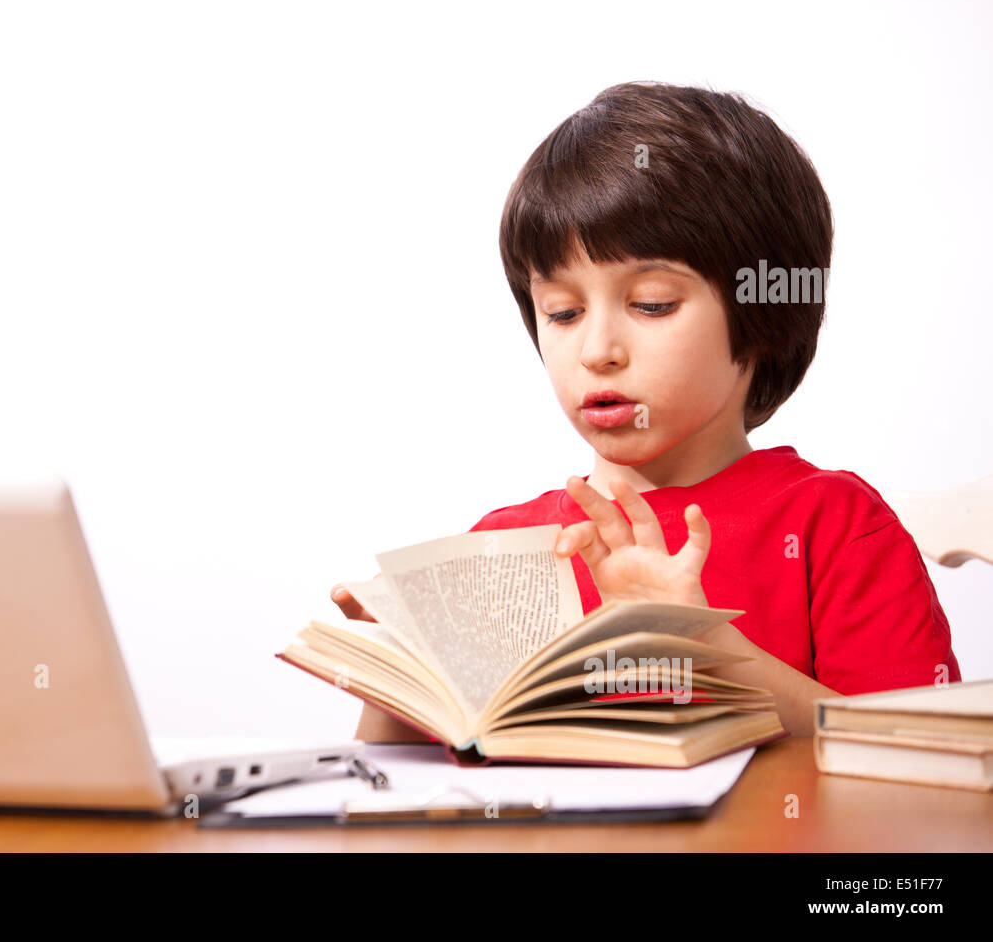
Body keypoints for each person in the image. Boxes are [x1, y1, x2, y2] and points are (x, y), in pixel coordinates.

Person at [333, 82, 961, 740]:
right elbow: (397, 778)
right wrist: (400, 676)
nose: (597, 351)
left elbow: (921, 755)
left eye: (652, 303)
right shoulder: (500, 549)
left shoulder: (834, 527)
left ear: (764, 318)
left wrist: (708, 651)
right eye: (563, 312)